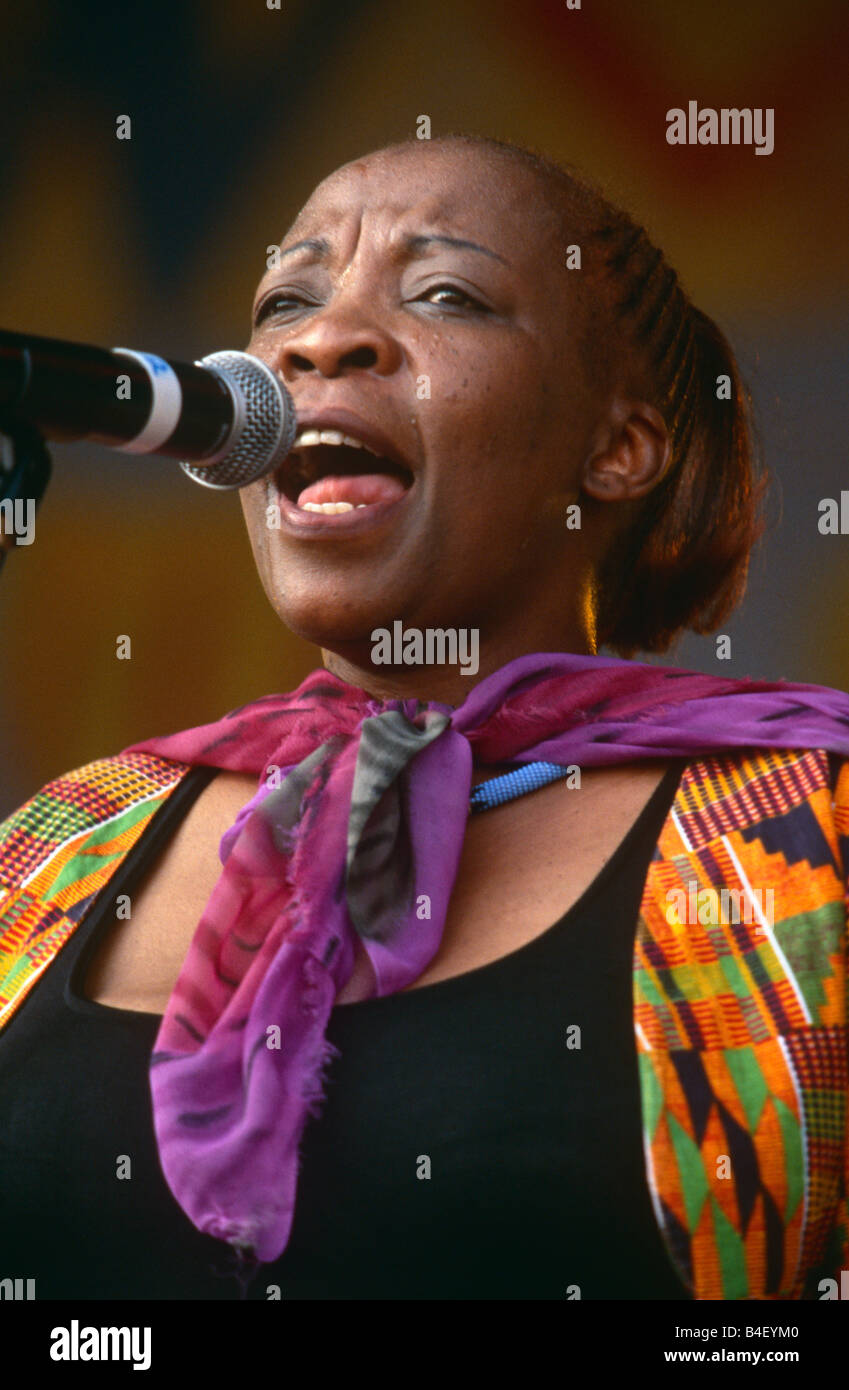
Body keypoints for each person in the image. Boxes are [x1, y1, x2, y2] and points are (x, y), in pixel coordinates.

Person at [1, 134, 847, 1302]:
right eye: (284, 300)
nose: (316, 337)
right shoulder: (65, 839)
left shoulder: (802, 832)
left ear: (618, 447)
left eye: (445, 292)